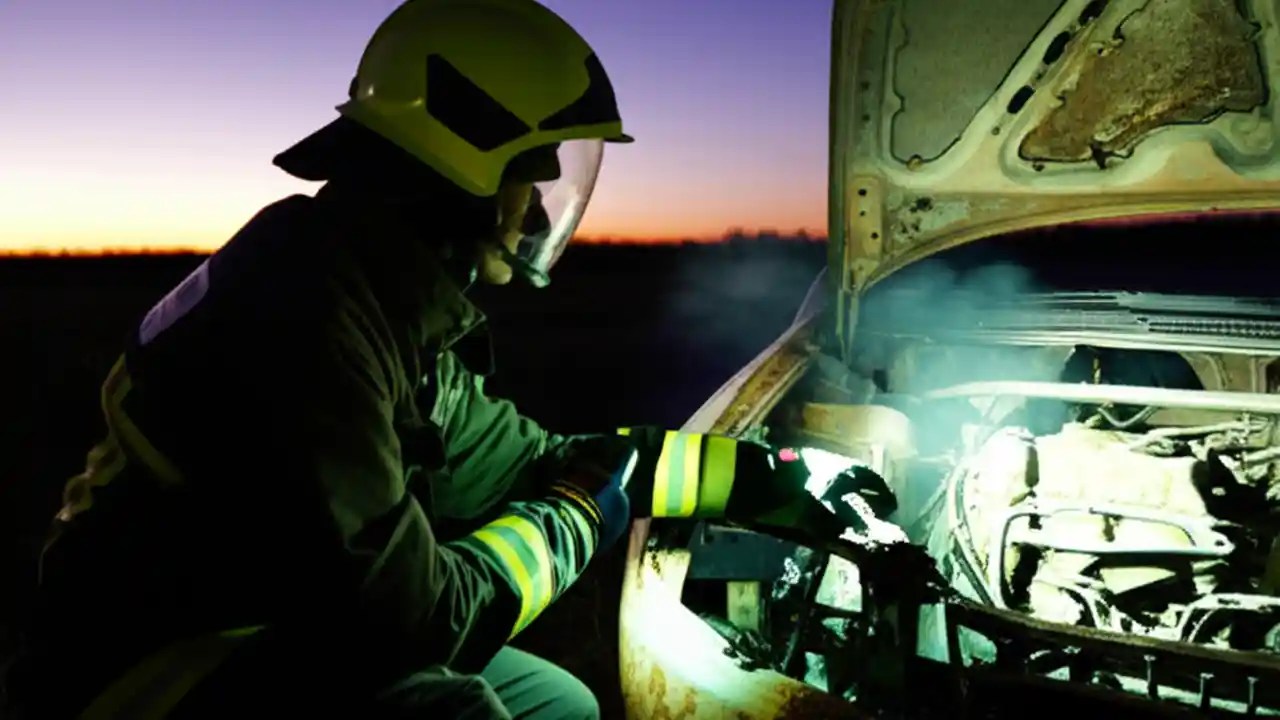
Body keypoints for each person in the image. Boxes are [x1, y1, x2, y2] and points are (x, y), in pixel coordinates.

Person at [7, 0, 638, 717]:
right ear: (467, 162)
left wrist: (724, 473)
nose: (539, 217)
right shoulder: (304, 312)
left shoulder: (387, 301)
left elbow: (528, 461)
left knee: (560, 701)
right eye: (536, 174)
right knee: (455, 711)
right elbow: (408, 621)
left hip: (254, 627)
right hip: (135, 667)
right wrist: (576, 518)